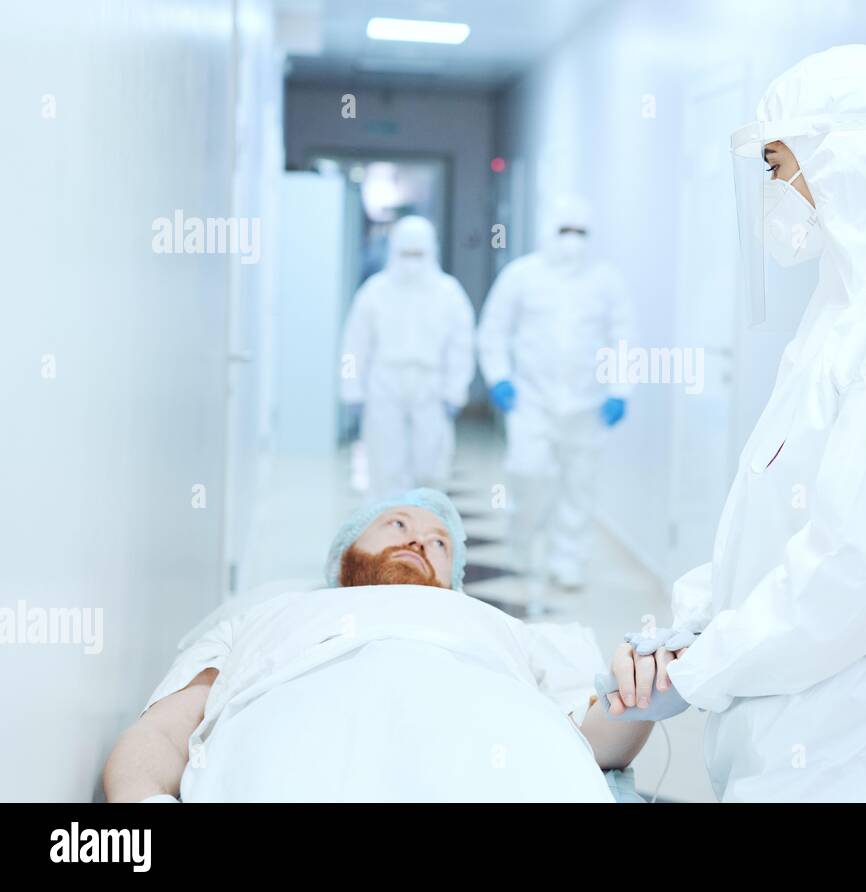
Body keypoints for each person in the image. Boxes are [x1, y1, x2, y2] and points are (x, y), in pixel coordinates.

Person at [604, 45, 866, 802]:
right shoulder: (847, 305)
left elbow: (858, 574)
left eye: (777, 166)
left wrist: (698, 670)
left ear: (850, 160)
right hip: (795, 716)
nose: (772, 192)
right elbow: (771, 510)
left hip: (858, 747)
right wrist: (692, 622)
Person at [101, 490, 654, 802]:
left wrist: (643, 694)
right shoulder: (266, 617)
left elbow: (596, 743)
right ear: (345, 551)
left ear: (453, 577)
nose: (419, 538)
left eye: (440, 543)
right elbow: (162, 733)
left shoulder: (495, 625)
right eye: (397, 523)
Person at [477, 194, 635, 592]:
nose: (572, 240)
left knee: (579, 485)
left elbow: (624, 335)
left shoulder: (605, 279)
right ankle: (522, 542)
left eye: (581, 232)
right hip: (530, 400)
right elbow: (493, 329)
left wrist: (620, 389)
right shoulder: (521, 275)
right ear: (549, 231)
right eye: (565, 231)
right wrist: (499, 377)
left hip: (587, 402)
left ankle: (568, 560)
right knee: (527, 472)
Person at [340, 215, 475, 498]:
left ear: (431, 252)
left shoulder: (448, 292)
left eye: (418, 254)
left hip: (431, 384)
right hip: (384, 383)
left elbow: (461, 345)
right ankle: (386, 532)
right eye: (405, 253)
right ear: (393, 250)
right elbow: (354, 345)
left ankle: (422, 531)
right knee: (384, 466)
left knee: (431, 468)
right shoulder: (375, 291)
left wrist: (455, 390)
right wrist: (351, 389)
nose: (412, 262)